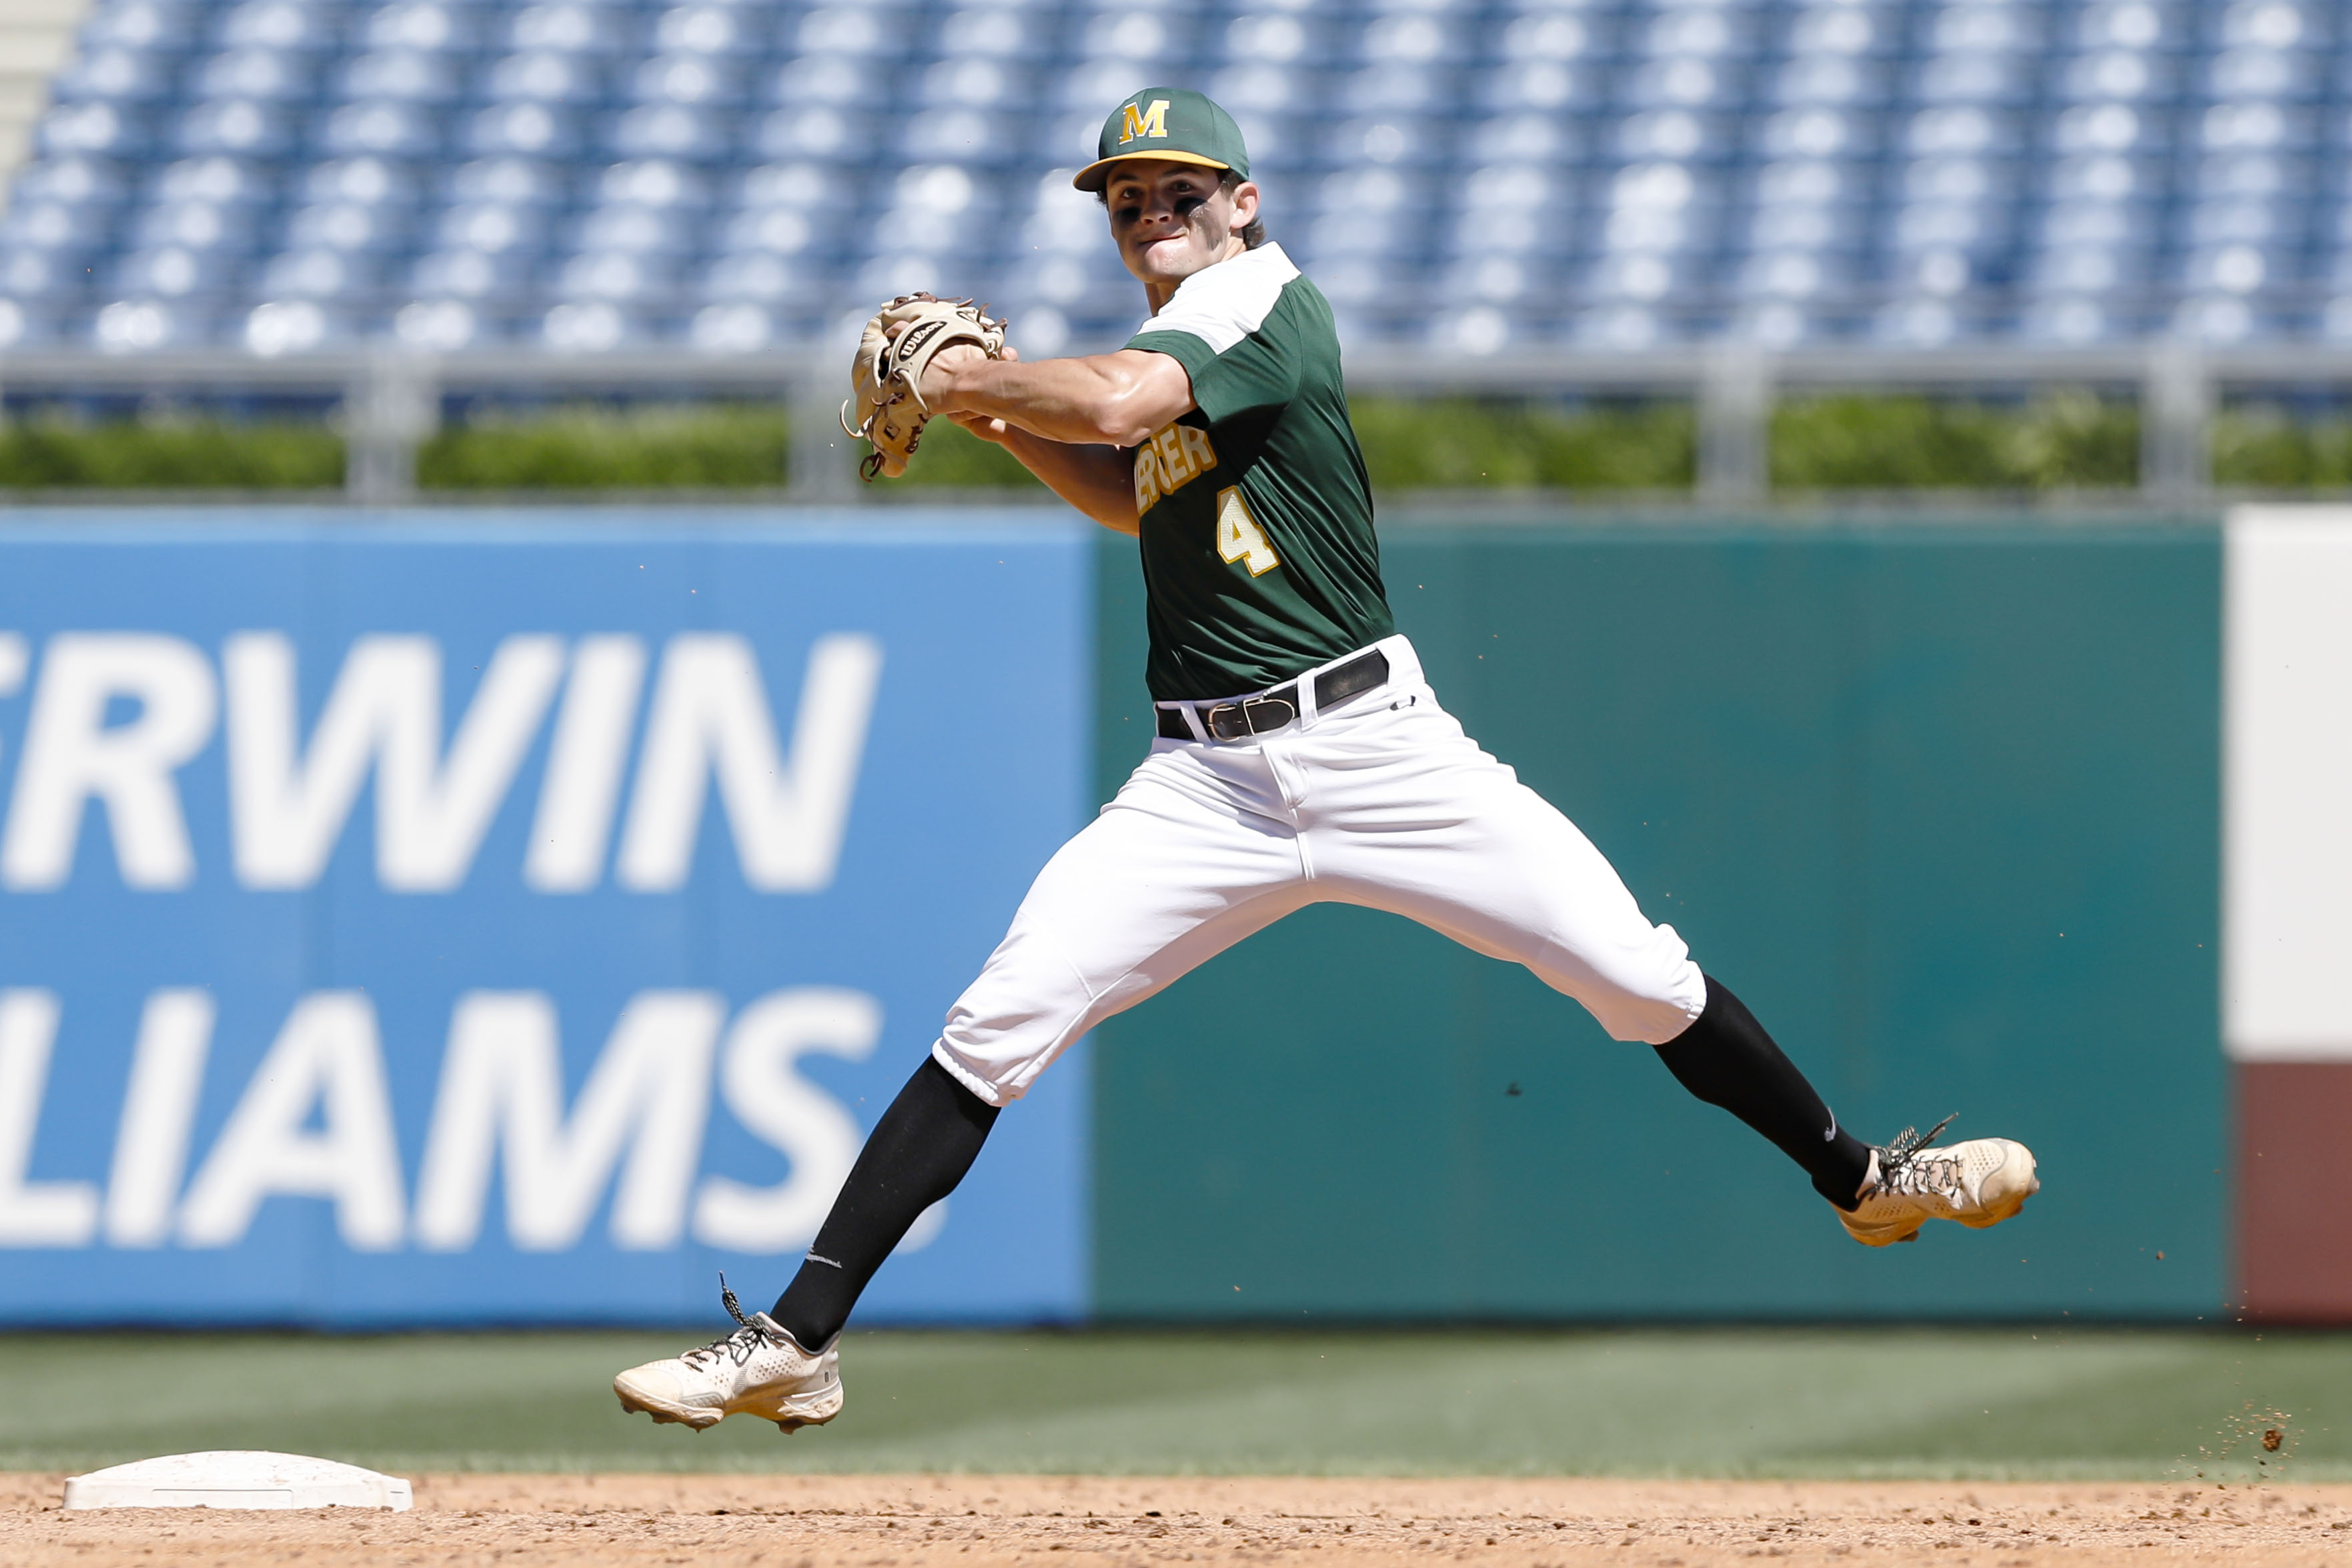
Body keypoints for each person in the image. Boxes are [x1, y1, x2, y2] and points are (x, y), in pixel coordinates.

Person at [612, 89, 2040, 1435]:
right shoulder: (1186, 344)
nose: (1148, 211)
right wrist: (984, 413)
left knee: (1635, 976)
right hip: (1203, 786)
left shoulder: (1255, 301)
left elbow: (1112, 407)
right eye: (1124, 200)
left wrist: (968, 372)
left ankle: (1860, 1179)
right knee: (995, 1026)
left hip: (1373, 748)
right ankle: (797, 1344)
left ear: (1239, 200)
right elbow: (1127, 487)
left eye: (1176, 189)